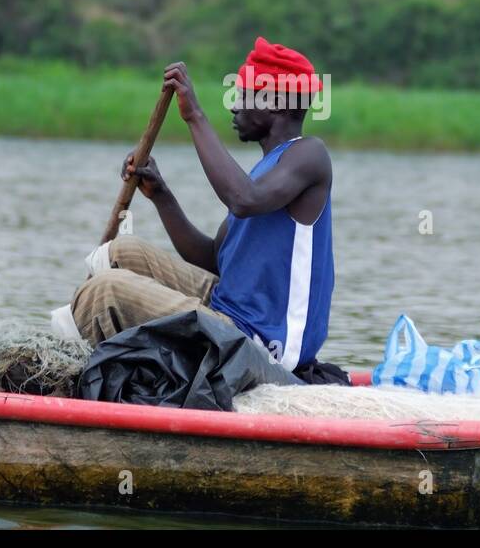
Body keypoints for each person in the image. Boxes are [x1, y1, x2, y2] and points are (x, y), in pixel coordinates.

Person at [57, 37, 334, 372]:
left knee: (107, 290)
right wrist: (161, 196)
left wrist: (195, 116)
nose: (234, 106)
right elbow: (214, 259)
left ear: (274, 103)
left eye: (242, 95)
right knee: (122, 252)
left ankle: (63, 366)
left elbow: (243, 200)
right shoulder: (266, 170)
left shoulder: (309, 155)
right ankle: (92, 354)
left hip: (261, 342)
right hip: (228, 309)